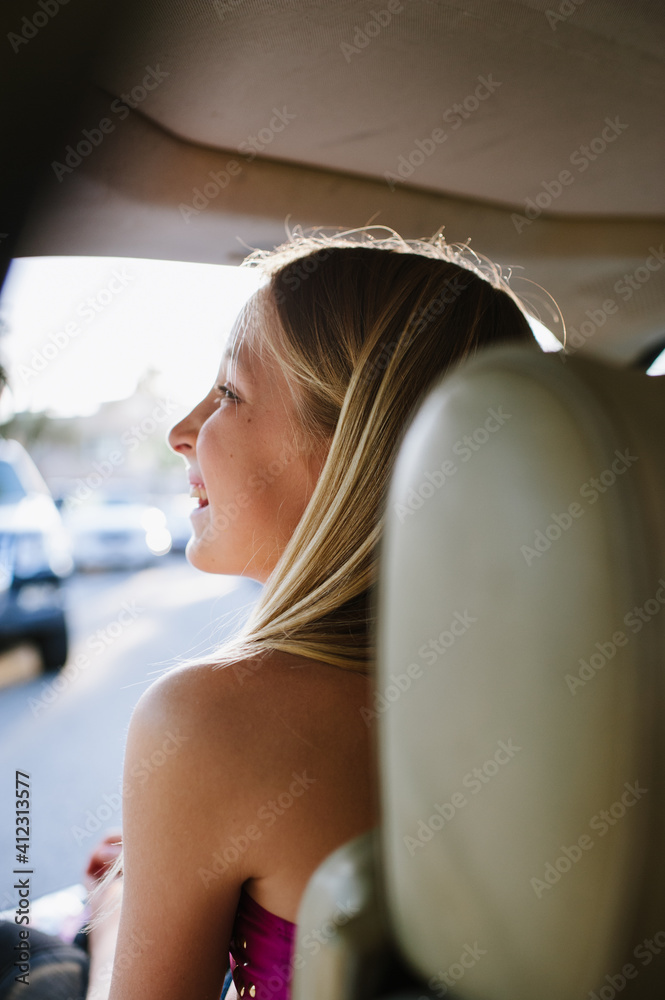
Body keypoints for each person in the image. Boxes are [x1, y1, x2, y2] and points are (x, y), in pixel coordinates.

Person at [0, 230, 537, 1000]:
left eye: (227, 393)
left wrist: (119, 904)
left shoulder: (208, 722)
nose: (181, 430)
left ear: (353, 446)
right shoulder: (571, 683)